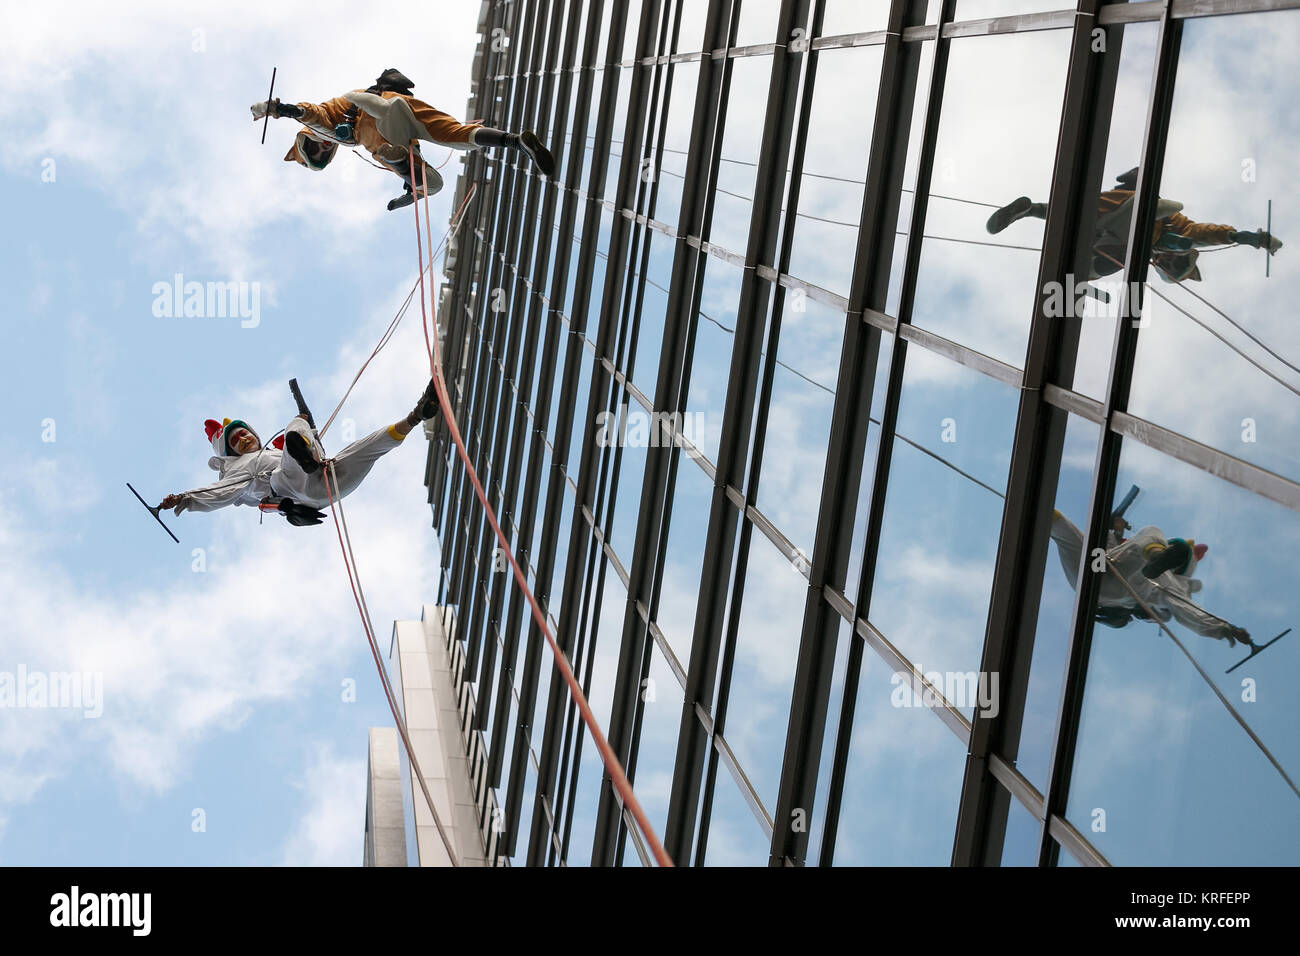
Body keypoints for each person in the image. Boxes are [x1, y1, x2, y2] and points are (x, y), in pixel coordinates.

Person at [251, 68, 556, 210]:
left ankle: (395, 157)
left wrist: (278, 109)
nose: (322, 146)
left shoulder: (330, 124)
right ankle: (518, 142)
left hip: (375, 117)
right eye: (320, 153)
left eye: (314, 145)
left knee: (377, 142)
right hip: (403, 108)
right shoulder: (338, 129)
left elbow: (310, 115)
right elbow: (421, 189)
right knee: (454, 140)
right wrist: (403, 199)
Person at [159, 379, 441, 522]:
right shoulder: (235, 470)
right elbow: (222, 494)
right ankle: (303, 452)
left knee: (365, 448)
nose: (243, 439)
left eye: (245, 432)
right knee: (292, 433)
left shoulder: (272, 451)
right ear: (230, 452)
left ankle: (416, 415)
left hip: (328, 480)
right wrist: (185, 499)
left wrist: (311, 436)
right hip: (296, 492)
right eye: (236, 441)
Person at [986, 167, 1282, 282]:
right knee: (1103, 238)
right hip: (1138, 210)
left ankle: (1028, 210)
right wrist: (1244, 237)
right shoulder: (1180, 234)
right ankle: (1081, 269)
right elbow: (1206, 235)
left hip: (1113, 220)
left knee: (1081, 219)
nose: (1167, 262)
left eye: (1170, 268)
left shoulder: (1146, 251)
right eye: (1175, 264)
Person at [1050, 509, 1253, 647]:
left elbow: (1187, 610)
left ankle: (1153, 556)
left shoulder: (1171, 581)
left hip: (1114, 582)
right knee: (1059, 525)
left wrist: (1224, 628)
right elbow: (1106, 547)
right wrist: (1116, 530)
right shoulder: (1162, 579)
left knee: (1151, 531)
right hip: (1095, 577)